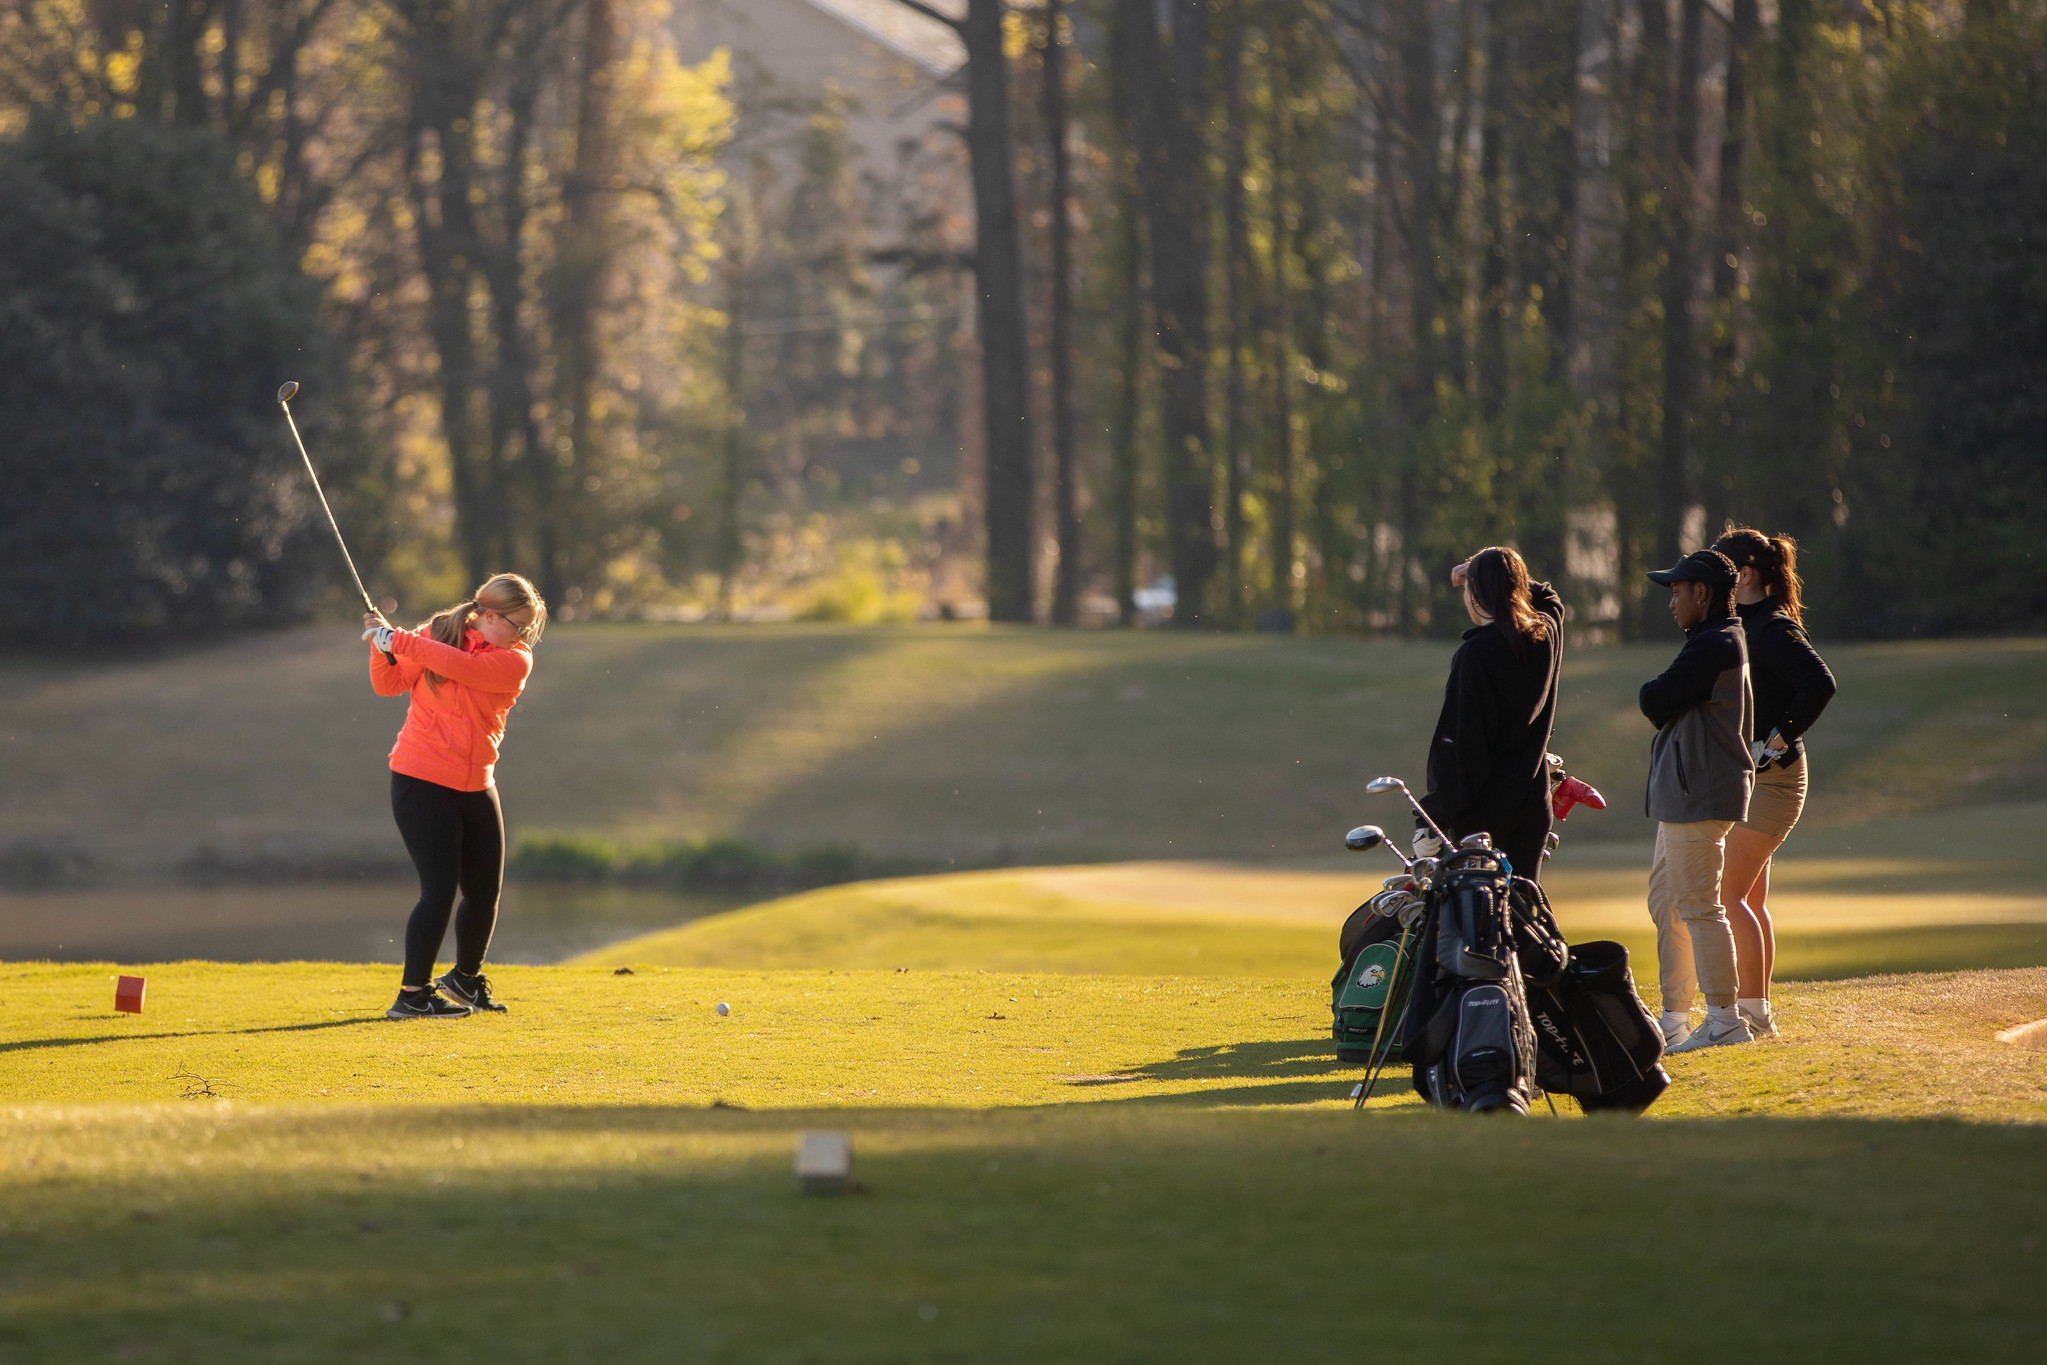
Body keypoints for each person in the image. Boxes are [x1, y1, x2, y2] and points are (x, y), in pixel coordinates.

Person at [362, 573, 547, 1019]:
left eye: (527, 628)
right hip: (420, 778)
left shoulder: (515, 660)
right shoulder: (437, 635)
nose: (523, 636)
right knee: (439, 890)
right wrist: (380, 646)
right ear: (489, 616)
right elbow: (389, 683)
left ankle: (464, 979)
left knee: (484, 891)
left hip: (477, 782)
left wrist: (399, 640)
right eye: (517, 626)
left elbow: (462, 667)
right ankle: (412, 996)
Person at [1710, 526, 1836, 1039]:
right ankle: (1757, 1012)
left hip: (1774, 780)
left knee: (1727, 894)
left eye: (1721, 572)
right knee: (1750, 899)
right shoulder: (1745, 624)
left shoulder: (1772, 627)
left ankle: (1750, 1013)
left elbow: (1819, 683)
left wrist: (1775, 740)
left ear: (1744, 575)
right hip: (1757, 778)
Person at [1638, 549, 1754, 1053]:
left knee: (1698, 906)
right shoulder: (1712, 639)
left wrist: (1652, 693)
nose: (1672, 603)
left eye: (1677, 592)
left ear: (1702, 593)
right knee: (1666, 902)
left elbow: (1655, 699)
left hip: (1698, 796)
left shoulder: (1714, 643)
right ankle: (1675, 1017)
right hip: (1684, 797)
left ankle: (1725, 1019)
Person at [1413, 546, 1565, 881]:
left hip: (1482, 818)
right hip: (1532, 806)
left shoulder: (1475, 654)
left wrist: (1432, 817)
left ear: (1476, 594)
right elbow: (1550, 599)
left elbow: (1463, 747)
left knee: (1479, 911)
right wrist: (1496, 572)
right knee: (1524, 907)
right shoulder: (1544, 636)